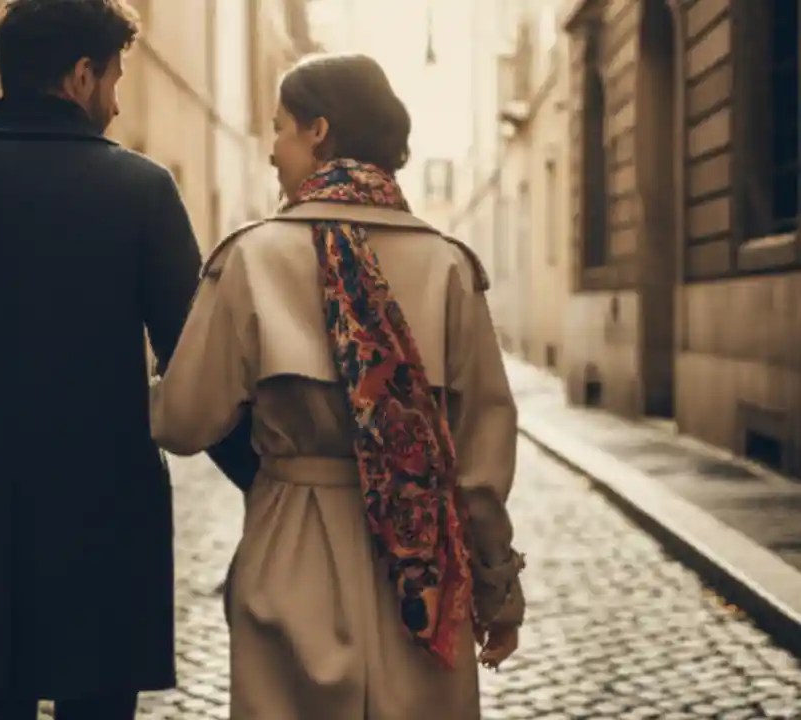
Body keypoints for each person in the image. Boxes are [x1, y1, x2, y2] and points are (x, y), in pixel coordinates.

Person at [0, 2, 254, 718]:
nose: (118, 102)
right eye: (116, 79)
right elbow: (198, 372)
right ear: (82, 75)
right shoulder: (142, 192)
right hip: (106, 537)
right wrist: (269, 480)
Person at [151, 53, 527, 719]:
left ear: (317, 131)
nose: (272, 152)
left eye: (279, 129)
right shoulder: (447, 267)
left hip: (292, 547)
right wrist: (496, 590)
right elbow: (480, 466)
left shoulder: (252, 258)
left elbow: (183, 423)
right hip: (423, 578)